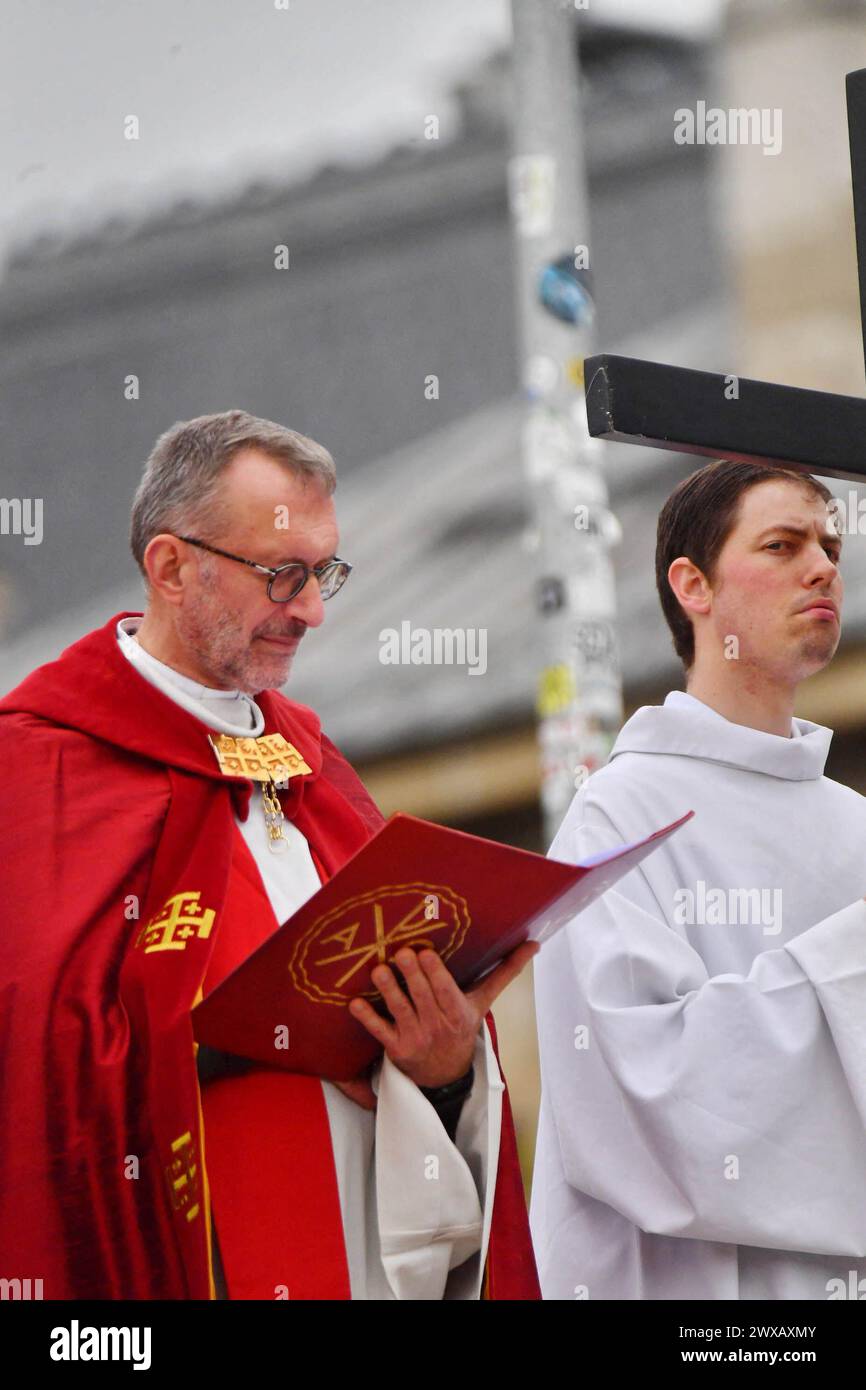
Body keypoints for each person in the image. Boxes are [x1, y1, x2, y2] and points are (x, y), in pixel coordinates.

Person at [0, 409, 540, 1301]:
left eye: (324, 572)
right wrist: (221, 1047)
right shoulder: (39, 770)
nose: (315, 611)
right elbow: (36, 1049)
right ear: (172, 568)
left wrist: (444, 1069)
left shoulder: (314, 768)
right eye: (285, 575)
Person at [530, 458, 866, 1300]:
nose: (824, 566)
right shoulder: (619, 820)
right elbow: (642, 1098)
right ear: (693, 585)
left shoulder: (854, 823)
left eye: (829, 544)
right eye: (783, 545)